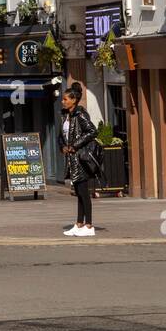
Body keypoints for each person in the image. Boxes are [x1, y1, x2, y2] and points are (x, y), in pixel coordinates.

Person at [61, 82, 100, 237]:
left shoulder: (81, 114)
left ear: (74, 100)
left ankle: (89, 226)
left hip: (81, 158)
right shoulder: (66, 115)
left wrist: (74, 145)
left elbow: (92, 131)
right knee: (78, 191)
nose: (63, 101)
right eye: (63, 99)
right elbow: (62, 135)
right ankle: (79, 224)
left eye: (65, 99)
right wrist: (63, 146)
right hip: (72, 158)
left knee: (84, 192)